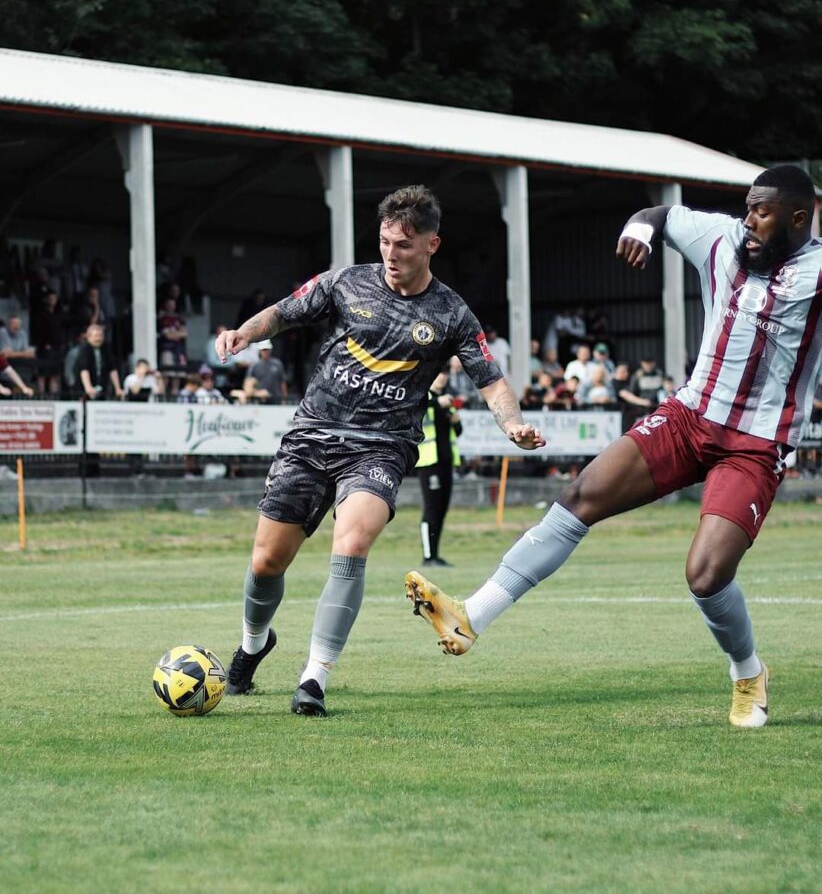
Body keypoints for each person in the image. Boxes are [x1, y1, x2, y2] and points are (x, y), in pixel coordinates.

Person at [406, 164, 822, 729]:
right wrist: (642, 230)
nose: (749, 221)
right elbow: (659, 215)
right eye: (748, 207)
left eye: (762, 212)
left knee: (705, 575)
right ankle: (470, 616)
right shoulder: (723, 238)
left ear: (799, 219)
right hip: (689, 415)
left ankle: (748, 672)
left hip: (754, 444)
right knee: (583, 494)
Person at [216, 184, 544, 717]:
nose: (392, 254)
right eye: (386, 242)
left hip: (382, 448)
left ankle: (314, 679)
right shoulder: (348, 282)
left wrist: (514, 425)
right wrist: (244, 333)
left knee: (352, 545)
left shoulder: (451, 313)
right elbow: (282, 312)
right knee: (266, 562)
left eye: (405, 246)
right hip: (312, 435)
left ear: (432, 244)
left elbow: (492, 381)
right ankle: (254, 645)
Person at [416, 370, 463, 567]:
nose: (442, 378)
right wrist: (439, 402)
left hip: (446, 462)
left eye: (444, 375)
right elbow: (418, 406)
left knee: (442, 509)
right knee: (431, 508)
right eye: (438, 375)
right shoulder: (423, 396)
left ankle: (435, 554)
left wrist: (457, 421)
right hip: (429, 462)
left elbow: (457, 432)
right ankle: (428, 556)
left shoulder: (447, 401)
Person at [77, 324, 123, 400]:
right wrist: (88, 387)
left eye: (100, 336)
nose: (98, 338)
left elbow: (112, 369)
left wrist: (118, 388)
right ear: (89, 337)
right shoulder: (84, 349)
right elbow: (84, 370)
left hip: (102, 387)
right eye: (96, 336)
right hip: (84, 390)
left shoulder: (106, 348)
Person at [246, 339, 288, 404]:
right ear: (260, 351)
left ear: (270, 350)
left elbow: (282, 382)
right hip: (259, 399)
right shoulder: (254, 366)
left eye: (267, 349)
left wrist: (284, 398)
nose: (265, 352)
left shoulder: (278, 364)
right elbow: (248, 384)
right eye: (263, 349)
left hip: (275, 399)